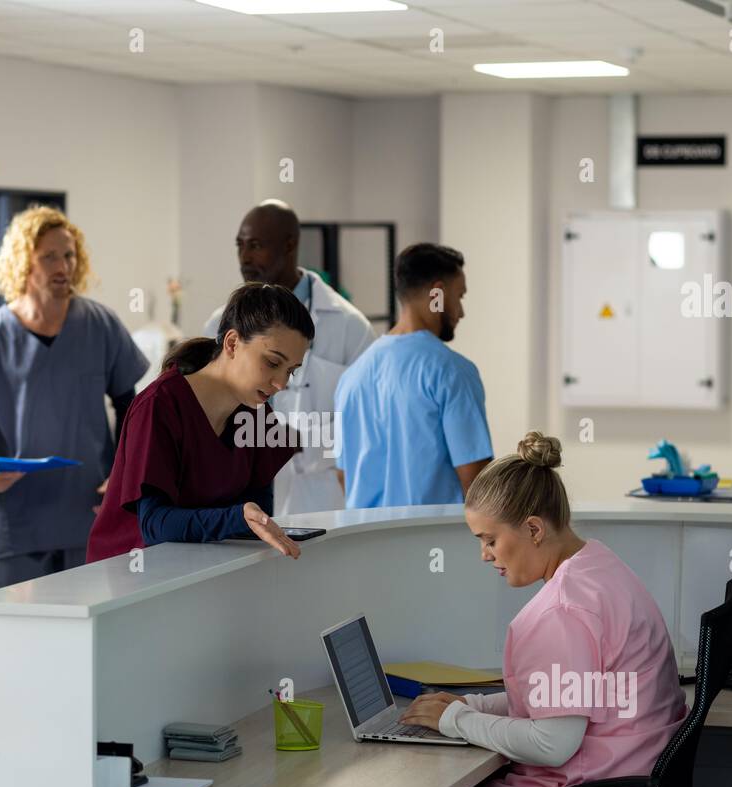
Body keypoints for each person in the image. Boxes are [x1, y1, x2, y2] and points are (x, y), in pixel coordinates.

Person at [399, 432, 687, 787]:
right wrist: (472, 705)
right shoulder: (600, 567)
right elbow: (569, 695)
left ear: (533, 528)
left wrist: (457, 720)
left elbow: (552, 744)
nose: (484, 555)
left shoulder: (562, 611)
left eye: (489, 540)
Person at [0, 206, 148, 589]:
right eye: (49, 256)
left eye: (68, 255)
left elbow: (129, 406)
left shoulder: (99, 326)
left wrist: (122, 475)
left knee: (89, 643)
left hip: (89, 516)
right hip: (18, 529)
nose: (62, 266)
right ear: (23, 263)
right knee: (20, 643)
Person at [87, 283, 314, 563]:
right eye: (271, 362)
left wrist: (245, 520)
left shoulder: (257, 414)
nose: (281, 383)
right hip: (130, 575)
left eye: (290, 371)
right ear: (232, 343)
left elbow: (258, 518)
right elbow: (154, 524)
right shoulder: (160, 406)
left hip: (200, 573)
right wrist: (236, 518)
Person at [203, 200, 374, 515]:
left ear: (290, 245)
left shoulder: (350, 326)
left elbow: (366, 422)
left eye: (255, 246)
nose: (245, 257)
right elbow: (208, 410)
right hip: (244, 497)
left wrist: (302, 441)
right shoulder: (219, 325)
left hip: (323, 497)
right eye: (240, 246)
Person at [333, 243, 492, 508]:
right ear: (438, 294)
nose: (461, 312)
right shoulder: (452, 372)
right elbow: (476, 483)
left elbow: (343, 475)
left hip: (364, 543)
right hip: (433, 542)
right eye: (459, 296)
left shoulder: (351, 378)